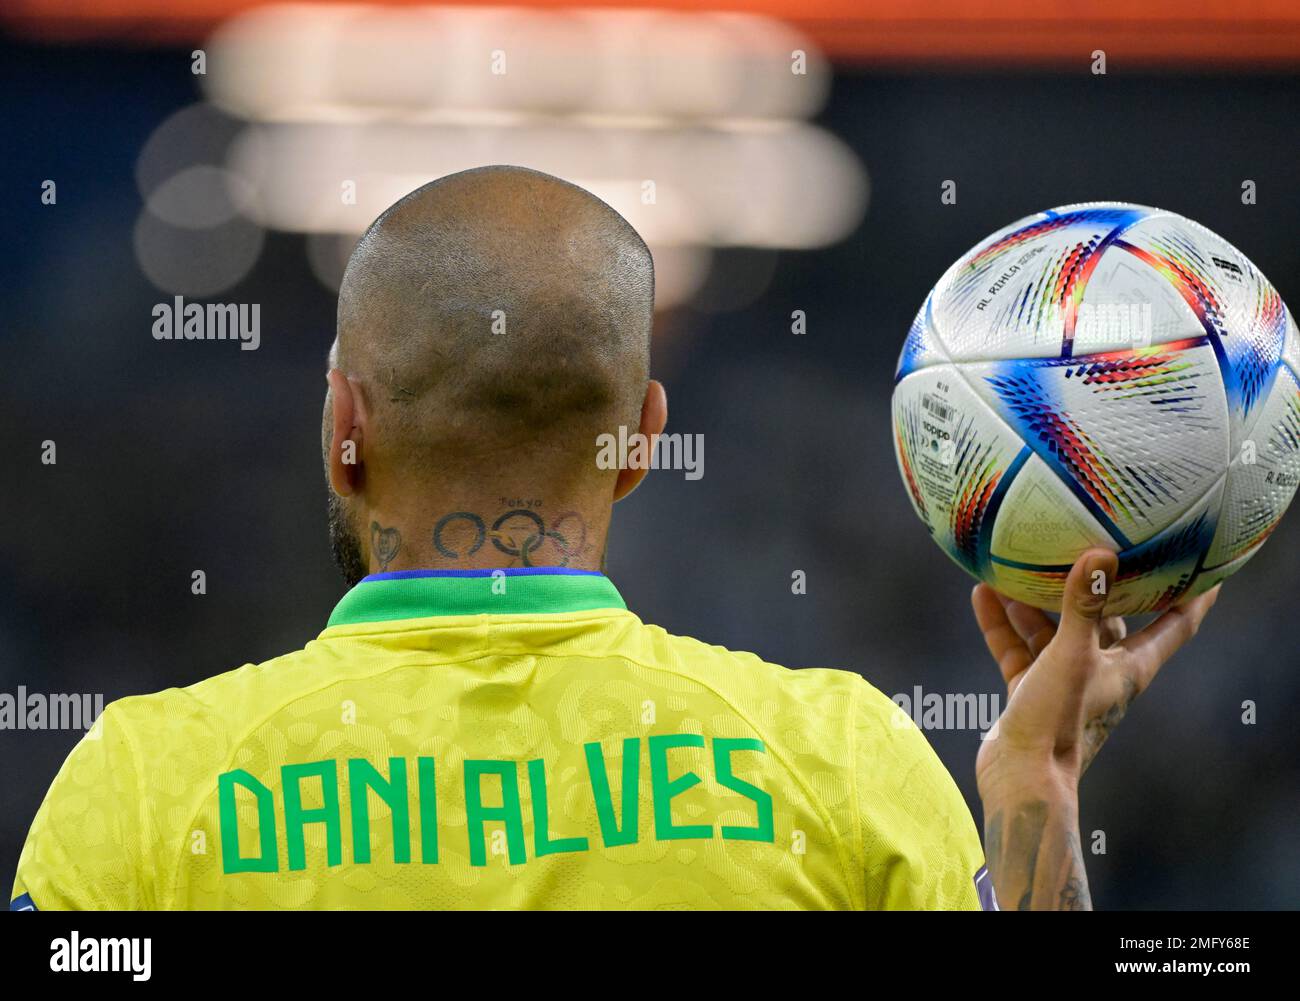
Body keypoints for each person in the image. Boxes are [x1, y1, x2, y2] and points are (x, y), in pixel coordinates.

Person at [10, 166, 1217, 911]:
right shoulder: (843, 764)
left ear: (343, 425)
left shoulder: (138, 788)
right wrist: (1038, 788)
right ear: (641, 440)